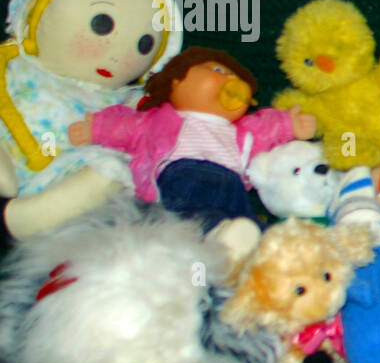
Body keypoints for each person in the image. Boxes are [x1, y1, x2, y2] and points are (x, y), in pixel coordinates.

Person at [68, 47, 316, 238]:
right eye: (217, 70)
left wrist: (288, 124)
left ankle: (255, 249)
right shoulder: (157, 120)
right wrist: (97, 128)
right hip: (183, 172)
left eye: (235, 76)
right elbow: (125, 127)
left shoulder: (239, 130)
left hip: (232, 183)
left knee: (247, 222)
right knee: (191, 217)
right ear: (176, 81)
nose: (229, 78)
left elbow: (264, 128)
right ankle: (215, 237)